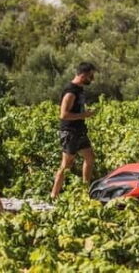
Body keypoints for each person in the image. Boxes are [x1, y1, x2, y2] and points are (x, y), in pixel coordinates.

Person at [51, 62, 97, 199]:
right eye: (90, 76)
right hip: (70, 132)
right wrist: (84, 115)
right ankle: (54, 194)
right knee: (66, 164)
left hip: (80, 130)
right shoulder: (70, 91)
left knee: (90, 158)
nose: (92, 79)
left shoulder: (80, 89)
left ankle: (85, 190)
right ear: (83, 75)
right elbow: (63, 115)